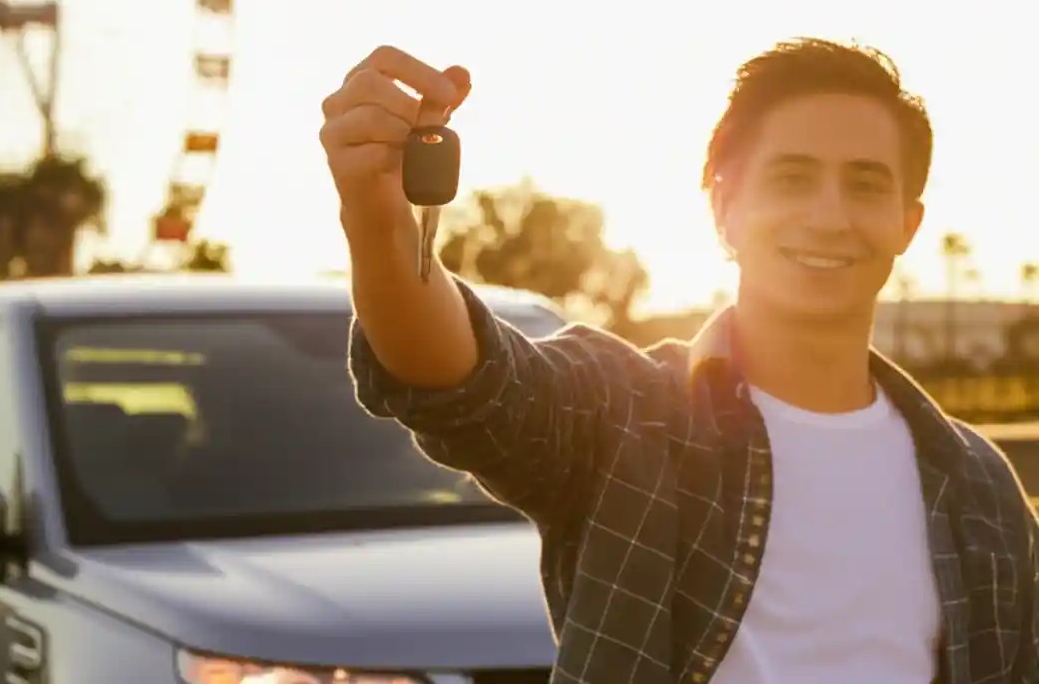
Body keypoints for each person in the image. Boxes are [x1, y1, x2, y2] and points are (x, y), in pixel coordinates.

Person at [319, 39, 1038, 683]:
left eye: (865, 183)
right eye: (792, 177)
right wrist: (376, 213)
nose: (829, 214)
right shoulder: (627, 416)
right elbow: (468, 383)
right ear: (723, 209)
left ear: (907, 223)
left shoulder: (977, 490)